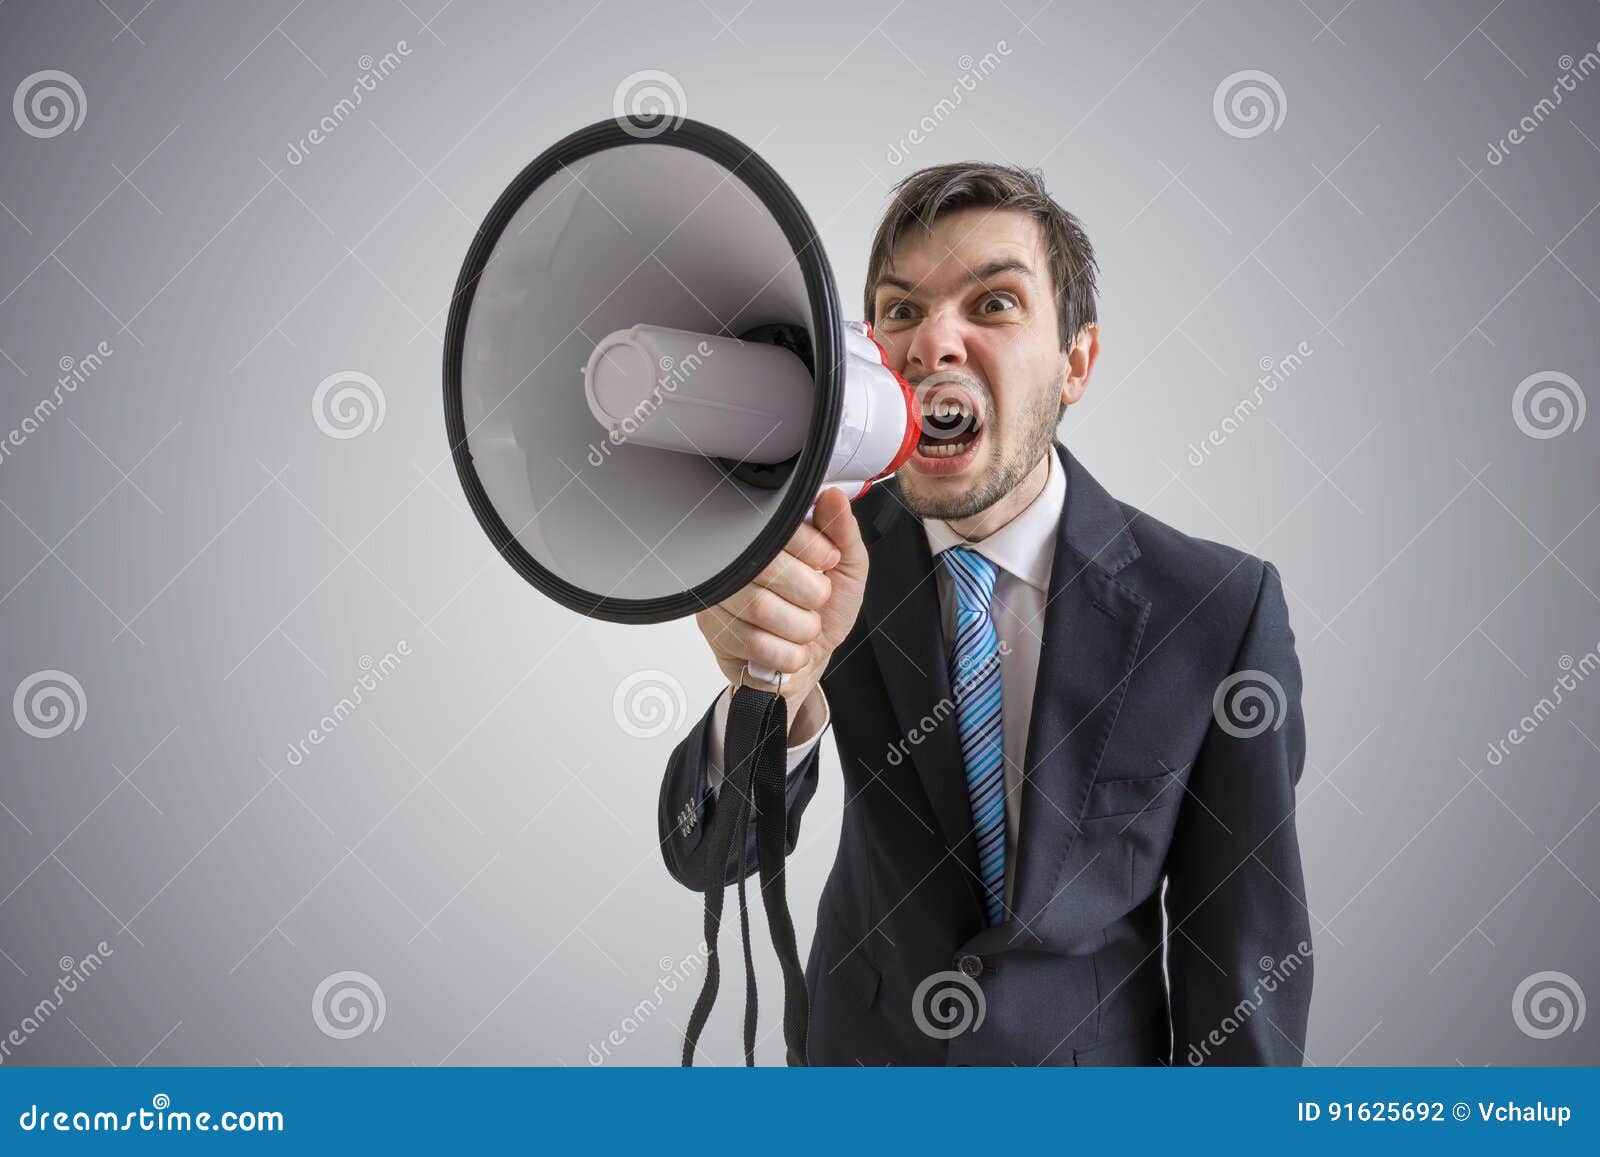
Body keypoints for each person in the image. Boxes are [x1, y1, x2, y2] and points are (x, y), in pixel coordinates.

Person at [657, 162, 1311, 1066]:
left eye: (994, 304)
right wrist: (777, 694)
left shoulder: (1216, 609)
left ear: (1075, 360)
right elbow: (706, 860)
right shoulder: (823, 553)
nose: (935, 343)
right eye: (900, 311)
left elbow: (1243, 960)